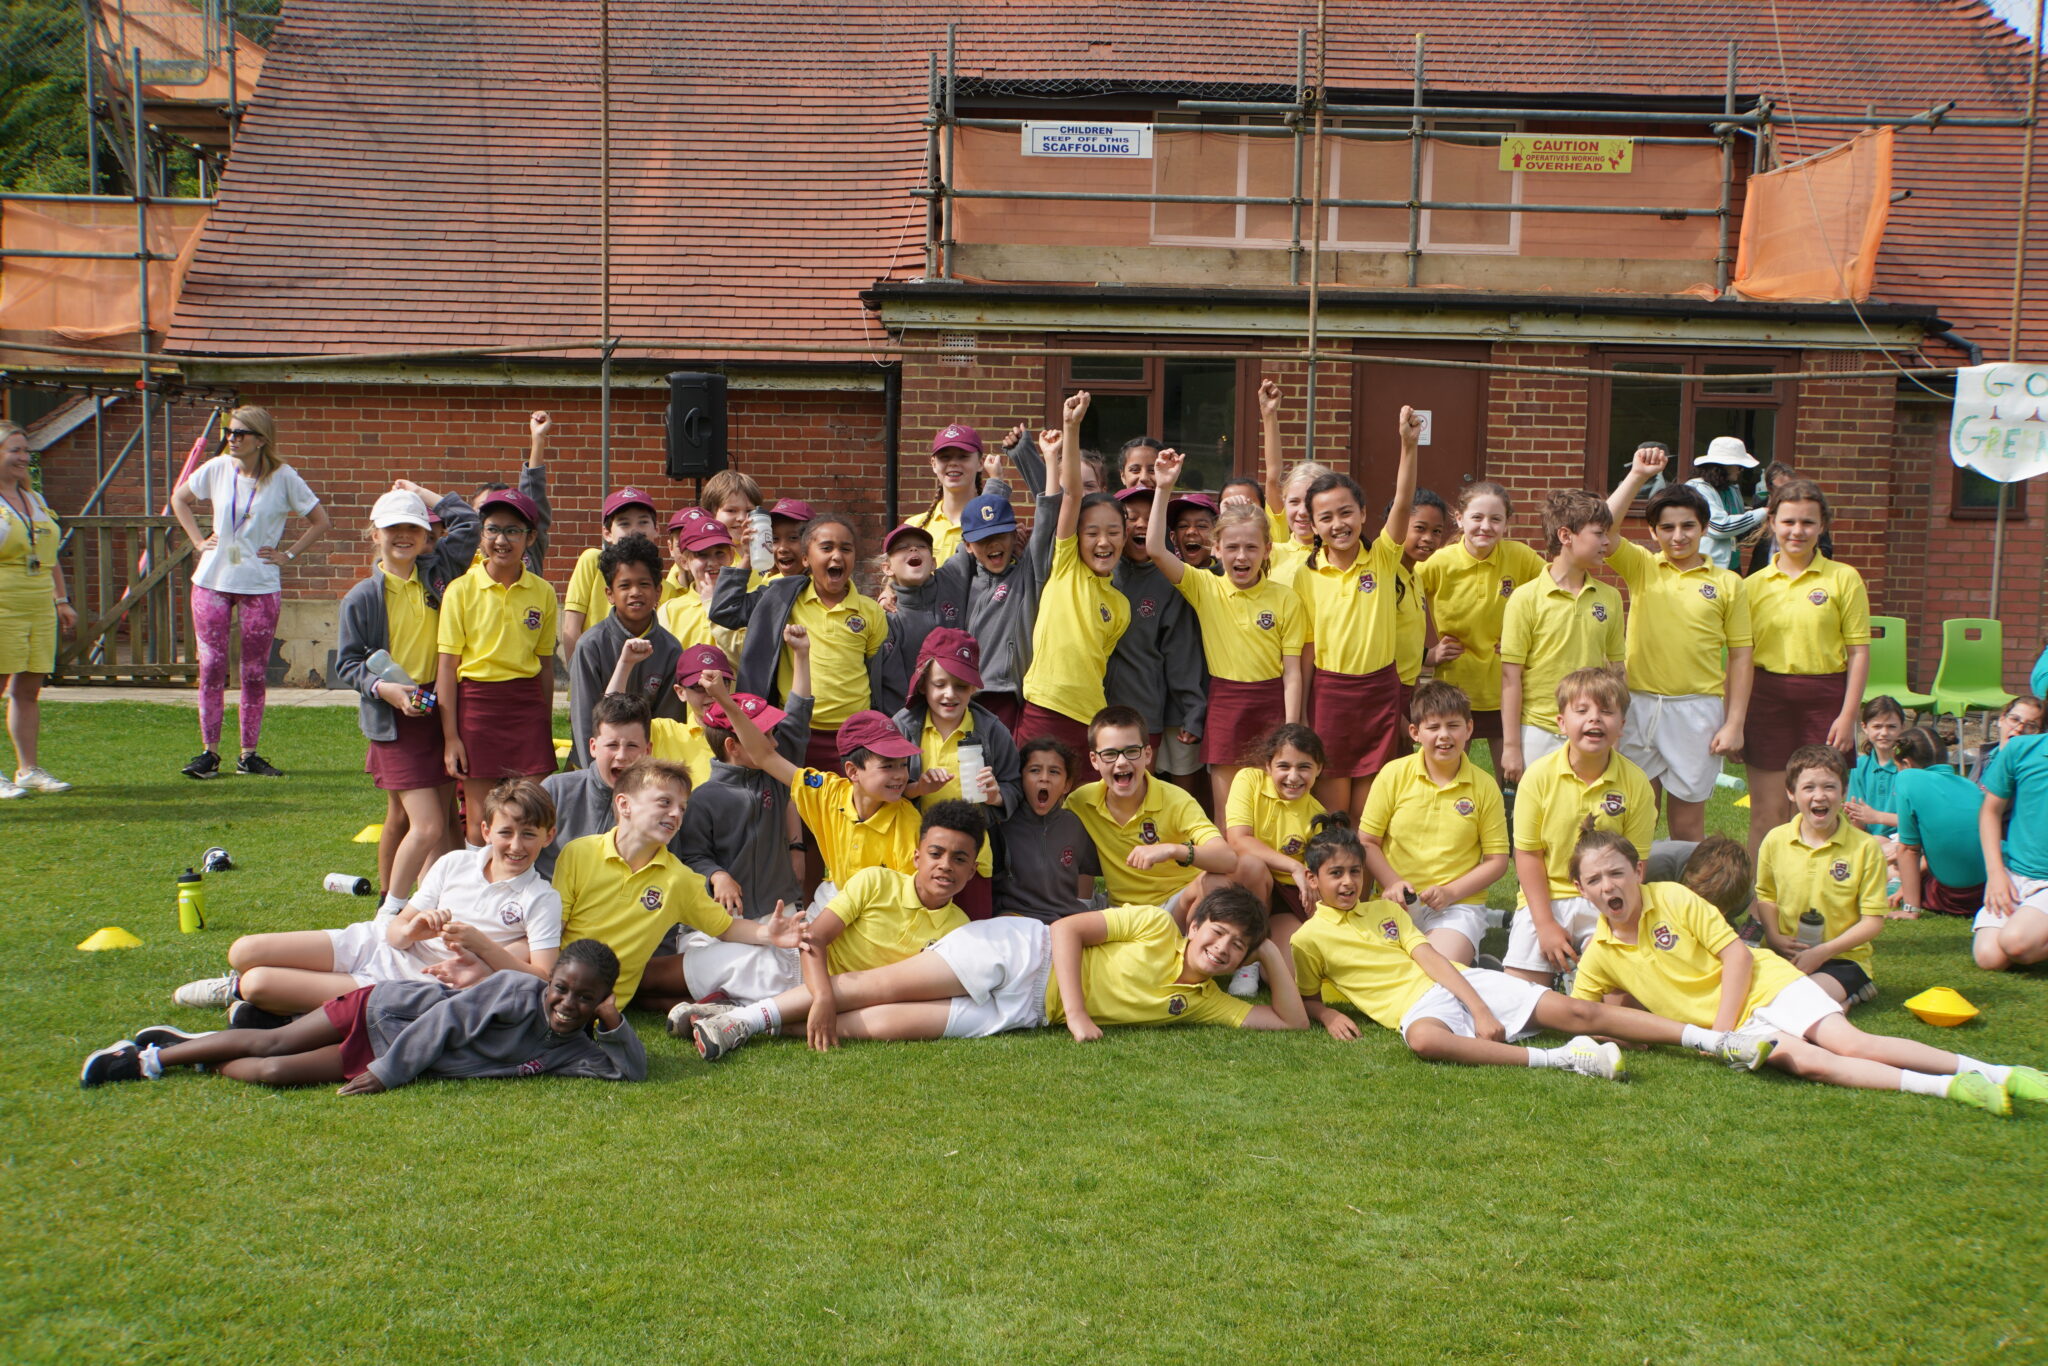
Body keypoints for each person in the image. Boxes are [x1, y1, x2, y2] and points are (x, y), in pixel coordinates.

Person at [1567, 829, 2038, 1116]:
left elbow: (1739, 957)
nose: (1609, 885)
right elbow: (1588, 1017)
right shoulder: (1600, 954)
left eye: (1617, 872)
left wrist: (1722, 1033)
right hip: (1734, 1030)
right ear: (1581, 889)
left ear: (1637, 870)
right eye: (1595, 879)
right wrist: (1628, 1037)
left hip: (1766, 986)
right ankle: (1952, 1087)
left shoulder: (1672, 896)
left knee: (1852, 1043)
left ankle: (1998, 1071)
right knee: (1811, 1064)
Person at [1290, 816, 1764, 1077]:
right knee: (1423, 1040)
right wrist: (1327, 1014)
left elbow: (1432, 958)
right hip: (1418, 1011)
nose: (1349, 882)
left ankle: (1715, 1040)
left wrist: (1478, 1007)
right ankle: (1563, 1059)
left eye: (1355, 871)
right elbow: (1307, 998)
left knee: (1581, 1014)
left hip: (1461, 984)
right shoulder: (1306, 939)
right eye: (1336, 874)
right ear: (1312, 879)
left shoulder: (1387, 910)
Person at [691, 882, 1308, 1060]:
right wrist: (1080, 1016)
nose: (1223, 949)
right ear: (1195, 925)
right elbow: (1069, 929)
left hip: (1025, 1012)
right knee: (873, 986)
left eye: (1237, 947)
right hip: (1024, 952)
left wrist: (1271, 952)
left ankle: (740, 1019)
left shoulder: (1202, 1001)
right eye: (1217, 933)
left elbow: (1289, 1024)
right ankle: (743, 1022)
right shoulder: (1154, 925)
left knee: (875, 1027)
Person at [177, 778, 560, 1025]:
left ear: (547, 836)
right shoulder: (455, 862)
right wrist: (410, 929)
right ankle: (261, 996)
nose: (515, 845)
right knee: (244, 949)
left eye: (529, 834)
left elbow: (543, 979)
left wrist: (482, 946)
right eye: (506, 832)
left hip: (405, 981)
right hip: (374, 944)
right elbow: (393, 934)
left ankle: (242, 993)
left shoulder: (540, 898)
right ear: (485, 830)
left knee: (259, 983)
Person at [86, 940, 646, 1092]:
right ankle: (148, 1061)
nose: (568, 1005)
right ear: (547, 982)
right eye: (561, 989)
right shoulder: (512, 989)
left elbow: (634, 1073)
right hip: (388, 1010)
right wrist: (386, 1074)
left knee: (275, 1074)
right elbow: (441, 1026)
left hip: (388, 1052)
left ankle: (204, 1051)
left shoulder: (577, 1047)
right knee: (272, 1047)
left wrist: (616, 1023)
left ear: (600, 998)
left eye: (584, 998)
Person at [686, 802, 994, 1056]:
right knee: (662, 980)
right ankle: (720, 1005)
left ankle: (725, 1011)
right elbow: (813, 938)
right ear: (916, 856)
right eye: (936, 853)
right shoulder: (877, 881)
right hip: (794, 967)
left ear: (972, 871)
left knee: (682, 998)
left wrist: (828, 1002)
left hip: (843, 998)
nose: (945, 865)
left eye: (959, 858)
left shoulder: (960, 931)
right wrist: (822, 998)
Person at [552, 758, 803, 1016]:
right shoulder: (579, 853)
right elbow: (554, 930)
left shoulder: (679, 879)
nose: (676, 814)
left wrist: (768, 935)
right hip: (554, 988)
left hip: (599, 1009)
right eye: (664, 802)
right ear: (624, 805)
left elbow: (726, 928)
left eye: (683, 808)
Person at [336, 485, 480, 912]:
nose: (403, 536)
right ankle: (392, 910)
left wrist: (419, 492)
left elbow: (469, 523)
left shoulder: (438, 571)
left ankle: (427, 906)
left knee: (437, 820)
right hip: (395, 721)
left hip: (438, 711)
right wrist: (385, 690)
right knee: (430, 825)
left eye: (414, 528)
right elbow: (346, 664)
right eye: (392, 528)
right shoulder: (362, 597)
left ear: (426, 535)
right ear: (373, 534)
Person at [169, 405, 331, 779]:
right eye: (230, 432)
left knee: (254, 672)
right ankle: (208, 753)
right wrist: (197, 541)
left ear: (261, 439)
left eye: (241, 433)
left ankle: (248, 754)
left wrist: (287, 555)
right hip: (212, 582)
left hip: (260, 585)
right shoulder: (216, 469)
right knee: (210, 667)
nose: (232, 438)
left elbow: (320, 520)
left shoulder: (284, 477)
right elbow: (180, 499)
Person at [1602, 445, 1753, 841]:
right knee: (1634, 820)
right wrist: (1636, 475)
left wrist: (1735, 722)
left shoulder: (1728, 584)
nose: (1678, 535)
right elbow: (1603, 528)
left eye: (1688, 526)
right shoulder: (1642, 566)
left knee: (1687, 828)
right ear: (1652, 532)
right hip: (1638, 705)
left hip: (1696, 710)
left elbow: (1740, 657)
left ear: (1704, 528)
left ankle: (1684, 902)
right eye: (1666, 528)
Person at [1145, 447, 1307, 814]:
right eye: (1231, 547)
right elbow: (1155, 549)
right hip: (1226, 705)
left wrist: (1291, 728)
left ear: (1268, 549)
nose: (1241, 556)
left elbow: (1293, 673)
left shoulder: (1286, 599)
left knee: (1274, 808)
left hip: (1271, 706)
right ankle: (1234, 872)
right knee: (1229, 812)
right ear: (1215, 549)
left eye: (1252, 547)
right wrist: (1163, 487)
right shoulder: (1206, 587)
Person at [1293, 405, 1424, 818]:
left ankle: (1368, 884)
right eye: (1326, 517)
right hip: (1330, 698)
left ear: (1364, 514)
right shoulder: (1306, 576)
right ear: (1313, 525)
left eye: (1346, 512)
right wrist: (1298, 718)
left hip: (1379, 695)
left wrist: (1407, 444)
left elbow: (1404, 500)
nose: (1338, 524)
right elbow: (1307, 650)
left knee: (1371, 818)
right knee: (1335, 814)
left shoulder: (1384, 558)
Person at [708, 669, 923, 902]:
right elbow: (765, 756)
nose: (900, 775)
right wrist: (726, 703)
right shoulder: (828, 792)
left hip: (881, 910)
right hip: (836, 896)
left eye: (903, 765)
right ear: (852, 771)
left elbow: (906, 898)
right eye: (888, 766)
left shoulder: (909, 822)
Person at [1742, 478, 1870, 860]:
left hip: (1825, 700)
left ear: (1822, 526)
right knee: (1768, 814)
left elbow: (1859, 653)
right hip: (1766, 700)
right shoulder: (1751, 586)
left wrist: (1848, 716)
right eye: (1788, 522)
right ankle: (1756, 907)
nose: (1797, 531)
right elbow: (1740, 659)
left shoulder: (1843, 578)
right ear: (1772, 523)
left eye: (1807, 523)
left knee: (1820, 812)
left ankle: (1826, 897)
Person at [1503, 667, 1655, 987]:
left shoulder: (1637, 783)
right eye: (1582, 710)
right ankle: (1562, 973)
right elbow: (1528, 855)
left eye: (1607, 711)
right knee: (1520, 1004)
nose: (1594, 719)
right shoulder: (1538, 777)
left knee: (1619, 1009)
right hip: (1546, 898)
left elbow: (1636, 865)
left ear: (1622, 726)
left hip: (1607, 898)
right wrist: (1544, 924)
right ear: (1561, 722)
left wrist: (1618, 917)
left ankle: (1581, 971)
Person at [710, 513, 886, 770]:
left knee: (848, 808)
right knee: (797, 806)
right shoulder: (782, 596)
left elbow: (877, 673)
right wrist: (747, 558)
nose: (837, 556)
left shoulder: (870, 611)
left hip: (855, 735)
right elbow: (725, 610)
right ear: (806, 558)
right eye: (826, 548)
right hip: (795, 733)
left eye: (845, 549)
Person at [435, 489, 558, 842]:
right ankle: (479, 894)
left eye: (513, 531)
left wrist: (543, 722)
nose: (501, 540)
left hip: (526, 707)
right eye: (492, 530)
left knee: (532, 811)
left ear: (530, 538)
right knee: (479, 821)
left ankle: (525, 890)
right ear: (481, 534)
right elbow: (447, 668)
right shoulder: (460, 590)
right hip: (478, 709)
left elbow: (545, 666)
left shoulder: (543, 592)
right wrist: (451, 737)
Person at [1359, 681, 1510, 967]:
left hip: (1457, 906)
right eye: (1433, 727)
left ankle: (1465, 957)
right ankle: (1474, 966)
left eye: (1453, 726)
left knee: (1437, 971)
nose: (1444, 736)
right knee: (1384, 971)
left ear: (1469, 729)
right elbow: (1367, 841)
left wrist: (1451, 892)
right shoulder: (1393, 774)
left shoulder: (1485, 786)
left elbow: (1497, 861)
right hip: (1397, 903)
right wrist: (1392, 883)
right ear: (1415, 733)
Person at [1015, 391, 1130, 754]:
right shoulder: (1064, 566)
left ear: (1125, 537)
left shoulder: (1121, 606)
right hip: (1043, 707)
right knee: (1030, 798)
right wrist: (1072, 425)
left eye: (1113, 532)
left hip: (1091, 718)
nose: (1103, 542)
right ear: (1075, 538)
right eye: (1092, 533)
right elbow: (1072, 496)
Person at [1415, 480, 1547, 771]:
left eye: (1495, 519)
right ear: (1459, 518)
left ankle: (1507, 817)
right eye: (1477, 517)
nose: (1485, 526)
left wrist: (1530, 643)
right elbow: (1400, 606)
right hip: (1454, 684)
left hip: (1504, 687)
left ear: (1506, 524)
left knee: (1511, 772)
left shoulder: (1520, 558)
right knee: (1449, 769)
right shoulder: (1439, 563)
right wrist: (1428, 654)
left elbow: (1554, 595)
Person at [1066, 705, 1240, 920]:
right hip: (1124, 913)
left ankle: (1193, 948)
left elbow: (1227, 859)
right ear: (1094, 760)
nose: (1122, 762)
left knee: (1219, 883)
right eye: (1110, 754)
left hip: (1180, 906)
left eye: (1131, 751)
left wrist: (1172, 850)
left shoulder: (1176, 799)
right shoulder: (1081, 801)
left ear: (1147, 754)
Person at [893, 627, 1020, 919]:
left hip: (973, 857)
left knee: (973, 933)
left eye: (961, 686)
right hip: (919, 855)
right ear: (924, 685)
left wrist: (996, 796)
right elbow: (883, 787)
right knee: (920, 929)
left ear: (974, 689)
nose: (950, 695)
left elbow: (1014, 785)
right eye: (940, 684)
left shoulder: (991, 730)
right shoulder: (903, 728)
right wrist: (917, 789)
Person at [1498, 490, 1623, 786]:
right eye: (1598, 533)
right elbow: (1509, 678)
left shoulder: (1611, 597)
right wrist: (1512, 746)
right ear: (1566, 535)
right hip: (1538, 729)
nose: (1607, 542)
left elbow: (1617, 672)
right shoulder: (1524, 598)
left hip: (1591, 730)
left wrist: (1614, 733)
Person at [1752, 744, 1886, 1008]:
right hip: (1786, 953)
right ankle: (1838, 1001)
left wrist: (1823, 952)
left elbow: (1873, 922)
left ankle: (1853, 989)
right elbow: (1766, 897)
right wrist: (1776, 937)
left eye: (1829, 787)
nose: (1819, 796)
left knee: (1800, 1001)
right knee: (1753, 993)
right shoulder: (1775, 840)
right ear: (1791, 793)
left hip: (1842, 958)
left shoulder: (1865, 848)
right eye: (1809, 787)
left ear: (1844, 791)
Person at [1105, 481, 1208, 794]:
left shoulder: (1170, 582)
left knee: (1137, 796)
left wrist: (1193, 711)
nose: (1140, 524)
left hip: (1143, 713)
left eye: (1150, 518)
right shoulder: (1100, 570)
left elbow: (1181, 654)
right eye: (1130, 516)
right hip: (1092, 709)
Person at [0, 419, 79, 797]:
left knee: (29, 688)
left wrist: (61, 600)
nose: (23, 457)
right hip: (3, 601)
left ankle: (28, 770)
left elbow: (49, 557)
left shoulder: (35, 500)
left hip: (37, 603)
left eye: (26, 451)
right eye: (15, 450)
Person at [566, 534, 682, 768]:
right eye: (625, 585)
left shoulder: (670, 648)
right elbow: (584, 717)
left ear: (658, 591)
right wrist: (596, 775)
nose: (635, 592)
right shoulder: (590, 645)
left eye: (644, 584)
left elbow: (670, 723)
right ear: (609, 594)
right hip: (595, 766)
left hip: (648, 768)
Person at [1223, 723, 1328, 970]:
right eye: (1284, 766)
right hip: (1246, 885)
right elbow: (1238, 840)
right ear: (1268, 766)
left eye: (1304, 767)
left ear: (1319, 769)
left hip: (1286, 901)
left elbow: (1316, 877)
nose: (1293, 777)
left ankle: (1259, 954)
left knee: (1288, 972)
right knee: (1252, 865)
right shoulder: (1249, 779)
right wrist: (1293, 865)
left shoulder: (1319, 816)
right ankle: (1246, 957)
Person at [538, 692, 660, 878]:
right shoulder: (556, 791)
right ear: (593, 747)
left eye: (632, 746)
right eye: (612, 745)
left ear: (648, 750)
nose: (621, 755)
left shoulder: (658, 807)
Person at [990, 736, 1102, 923]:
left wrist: (1084, 906)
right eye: (1034, 770)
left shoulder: (1074, 825)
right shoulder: (1003, 823)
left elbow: (1086, 870)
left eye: (1054, 772)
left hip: (1067, 920)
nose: (1044, 778)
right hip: (1015, 918)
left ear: (1066, 785)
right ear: (1021, 779)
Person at [1886, 727, 1986, 921]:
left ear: (1905, 763)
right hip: (1988, 888)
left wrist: (1910, 907)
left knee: (1888, 869)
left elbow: (1909, 849)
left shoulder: (1907, 777)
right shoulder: (1969, 785)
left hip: (1955, 897)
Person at [559, 486, 667, 661]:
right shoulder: (592, 561)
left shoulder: (663, 584)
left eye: (643, 522)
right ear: (607, 533)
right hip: (594, 670)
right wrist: (578, 676)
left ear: (656, 529)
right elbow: (571, 628)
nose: (635, 530)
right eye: (624, 523)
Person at [1975, 727, 2048, 972]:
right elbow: (1990, 812)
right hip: (2016, 874)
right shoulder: (2022, 749)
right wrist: (1996, 874)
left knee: (2016, 943)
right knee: (1989, 958)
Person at [1255, 378, 1328, 583]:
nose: (1302, 511)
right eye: (1294, 502)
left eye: (1310, 502)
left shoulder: (1339, 554)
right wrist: (1269, 414)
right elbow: (1273, 477)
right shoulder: (1274, 548)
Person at [469, 410, 555, 576]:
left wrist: (538, 439)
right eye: (482, 510)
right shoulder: (459, 558)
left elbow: (533, 495)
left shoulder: (527, 549)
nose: (501, 539)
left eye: (511, 528)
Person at [906, 423, 1000, 562]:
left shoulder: (999, 523)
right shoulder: (913, 527)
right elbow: (894, 582)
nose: (953, 463)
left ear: (980, 463)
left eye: (963, 456)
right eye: (945, 457)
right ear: (933, 464)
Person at [1685, 434, 1767, 571]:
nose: (1741, 470)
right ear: (1722, 466)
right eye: (1738, 465)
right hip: (1707, 567)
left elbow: (1739, 530)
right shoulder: (1697, 489)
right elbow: (1720, 528)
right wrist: (1763, 512)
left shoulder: (1732, 489)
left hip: (1732, 565)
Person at [1844, 695, 1907, 840]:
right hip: (1871, 840)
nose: (1884, 733)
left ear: (1902, 728)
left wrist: (1877, 817)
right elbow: (1858, 823)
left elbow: (1920, 820)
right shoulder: (1859, 766)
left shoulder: (1908, 766)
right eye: (1877, 726)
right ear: (1865, 727)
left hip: (1905, 839)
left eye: (1891, 726)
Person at [1965, 694, 2043, 784]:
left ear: (2040, 734)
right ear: (2001, 720)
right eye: (2015, 719)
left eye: (2030, 726)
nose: (2019, 728)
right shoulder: (1986, 755)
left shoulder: (2035, 770)